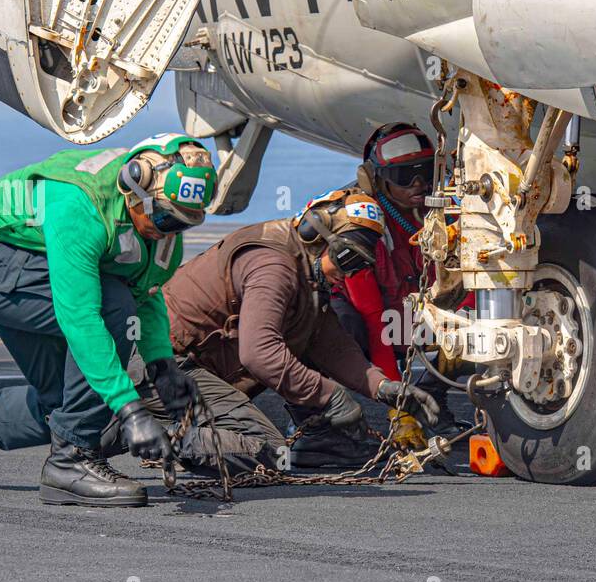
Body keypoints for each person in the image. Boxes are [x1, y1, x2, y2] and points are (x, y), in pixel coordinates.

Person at [0, 134, 217, 506]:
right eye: (162, 215)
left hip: (21, 266)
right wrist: (130, 410)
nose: (164, 229)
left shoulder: (158, 227)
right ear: (135, 182)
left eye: (180, 223)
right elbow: (83, 316)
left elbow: (146, 293)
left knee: (69, 404)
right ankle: (71, 461)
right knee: (110, 308)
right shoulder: (80, 205)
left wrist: (163, 367)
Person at [159, 192, 441, 470]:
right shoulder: (274, 266)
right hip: (165, 369)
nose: (348, 273)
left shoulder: (306, 267)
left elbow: (330, 344)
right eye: (347, 258)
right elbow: (258, 353)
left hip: (192, 368)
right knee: (265, 450)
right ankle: (158, 436)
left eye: (359, 265)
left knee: (305, 334)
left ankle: (321, 440)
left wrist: (383, 388)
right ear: (316, 234)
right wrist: (331, 396)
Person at [325, 123, 468, 447]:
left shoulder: (446, 219)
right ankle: (322, 419)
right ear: (375, 179)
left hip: (410, 320)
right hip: (368, 322)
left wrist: (457, 347)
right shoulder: (362, 229)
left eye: (426, 172)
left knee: (479, 324)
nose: (418, 184)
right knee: (341, 326)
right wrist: (398, 412)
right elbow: (374, 318)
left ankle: (432, 398)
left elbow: (468, 291)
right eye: (405, 176)